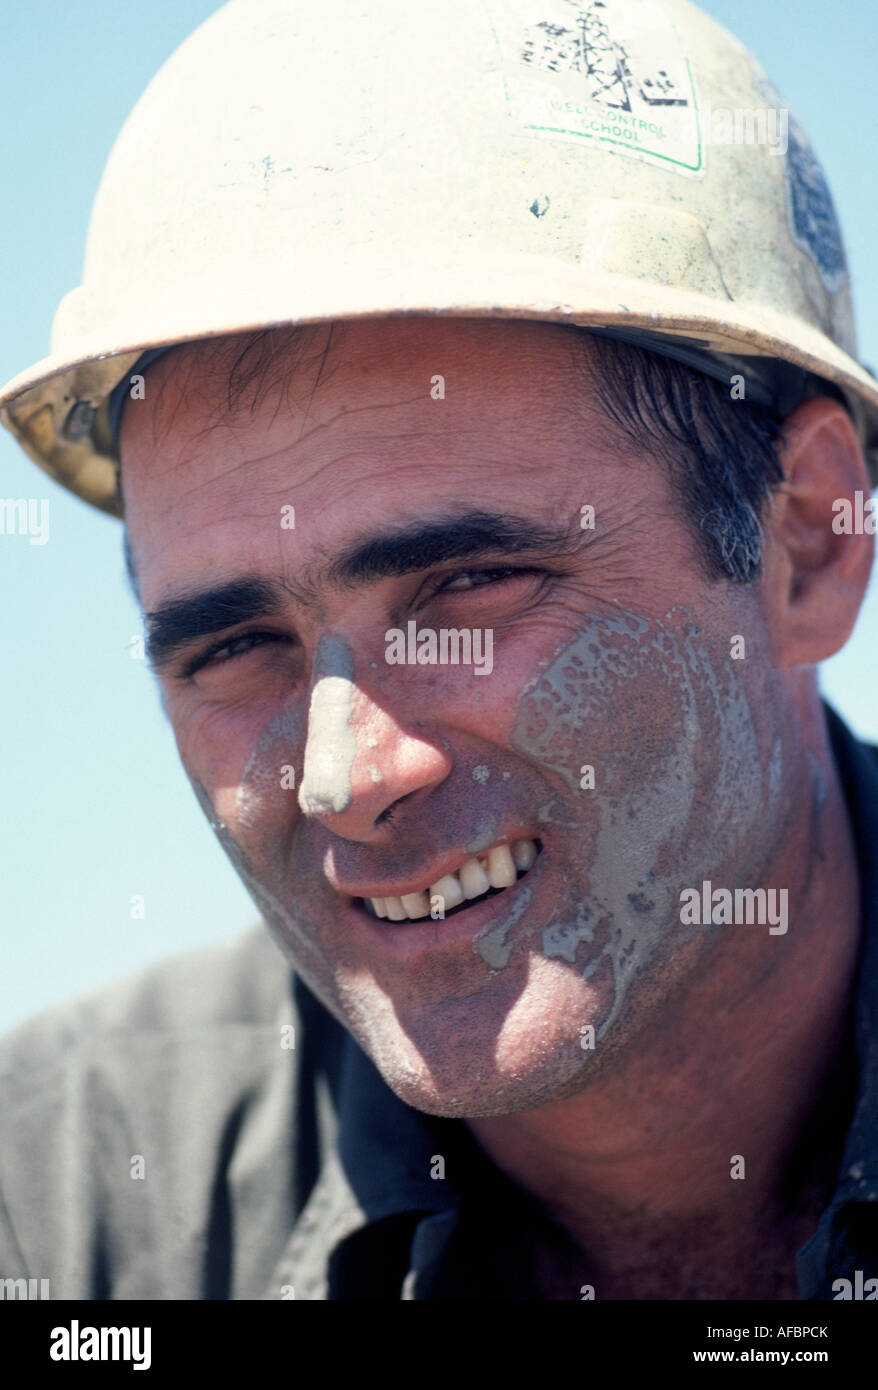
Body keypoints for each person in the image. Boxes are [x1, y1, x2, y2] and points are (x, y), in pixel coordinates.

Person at [1, 0, 876, 1301]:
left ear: (805, 543)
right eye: (235, 645)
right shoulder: (58, 1215)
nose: (346, 777)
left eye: (465, 588)